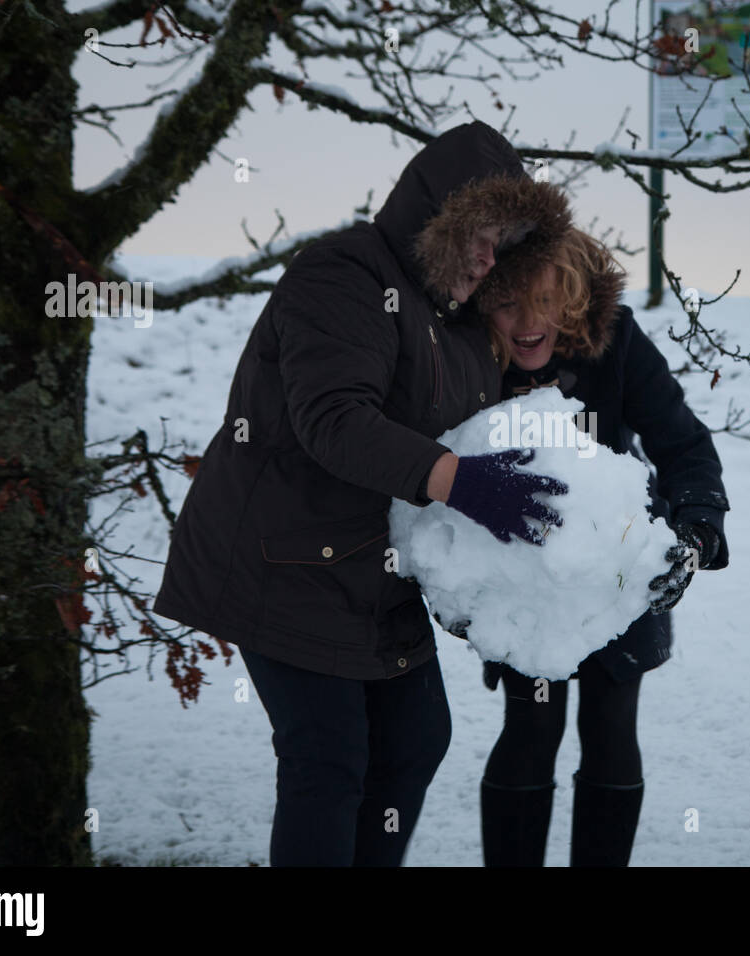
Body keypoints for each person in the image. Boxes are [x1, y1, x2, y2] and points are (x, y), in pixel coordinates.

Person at [152, 121, 572, 866]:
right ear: (430, 216)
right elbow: (335, 419)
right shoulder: (344, 275)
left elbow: (515, 389)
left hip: (372, 568)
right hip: (280, 558)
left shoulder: (463, 324)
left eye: (501, 239)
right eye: (475, 232)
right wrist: (460, 482)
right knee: (329, 761)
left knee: (414, 742)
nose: (486, 256)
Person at [469, 225, 731, 867]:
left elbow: (683, 444)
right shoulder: (467, 355)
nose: (529, 322)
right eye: (508, 303)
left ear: (575, 298)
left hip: (622, 569)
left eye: (545, 302)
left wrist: (695, 533)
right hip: (523, 576)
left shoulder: (614, 341)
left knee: (611, 725)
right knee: (531, 726)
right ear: (481, 304)